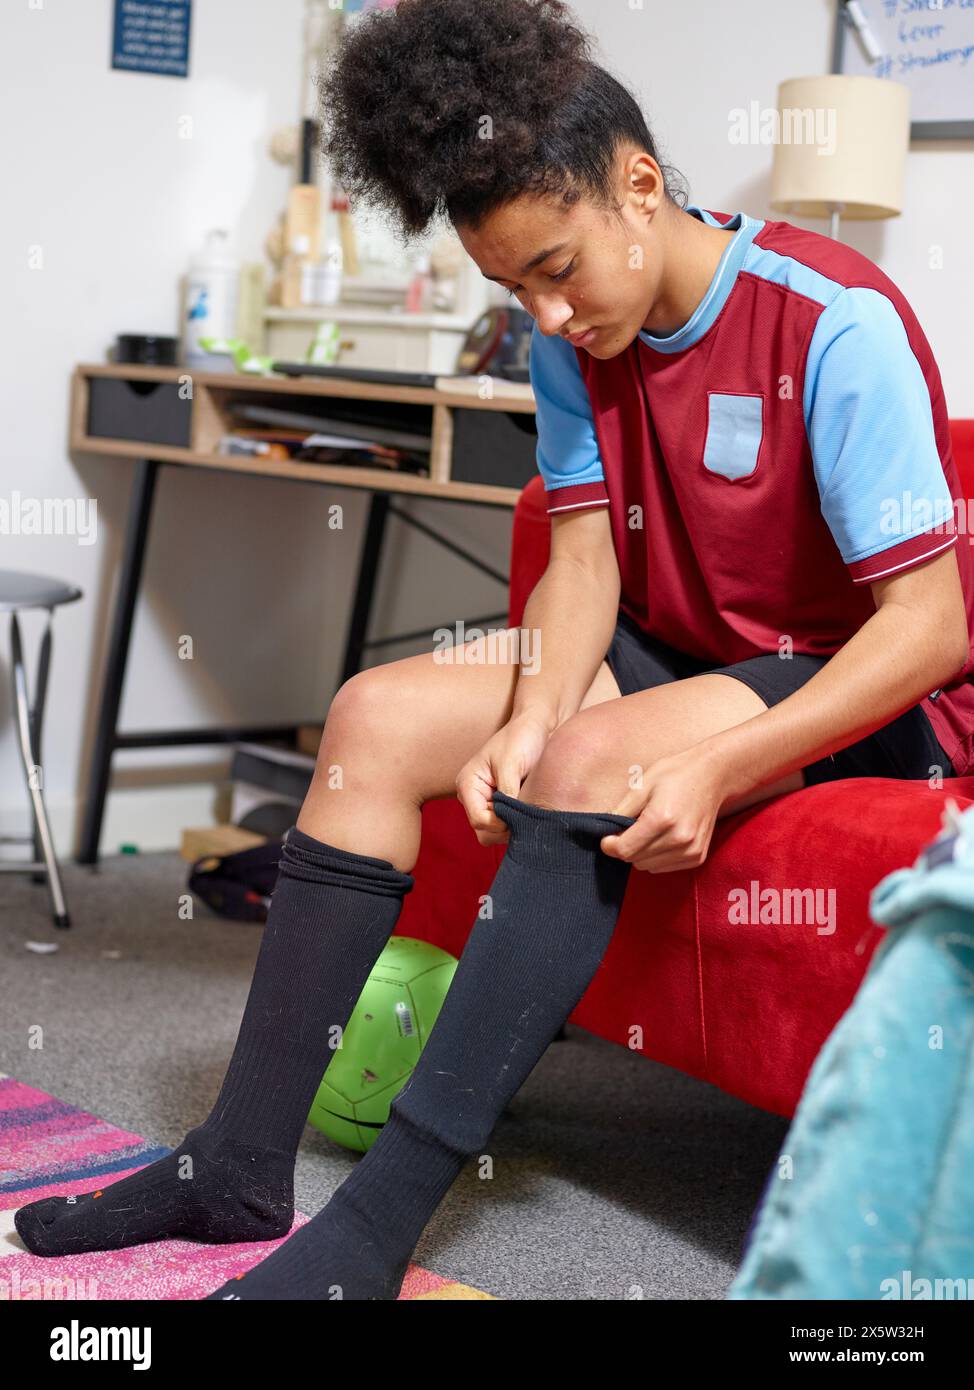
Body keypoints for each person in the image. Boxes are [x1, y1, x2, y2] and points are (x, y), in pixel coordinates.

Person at [15, 0, 974, 1300]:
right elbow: (582, 555)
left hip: (849, 680)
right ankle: (234, 1162)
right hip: (677, 647)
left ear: (639, 187)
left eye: (558, 266)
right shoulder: (571, 332)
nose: (544, 310)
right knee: (367, 714)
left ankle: (369, 1234)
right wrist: (524, 709)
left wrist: (722, 757)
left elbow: (927, 625)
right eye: (511, 284)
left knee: (583, 762)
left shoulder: (831, 323)